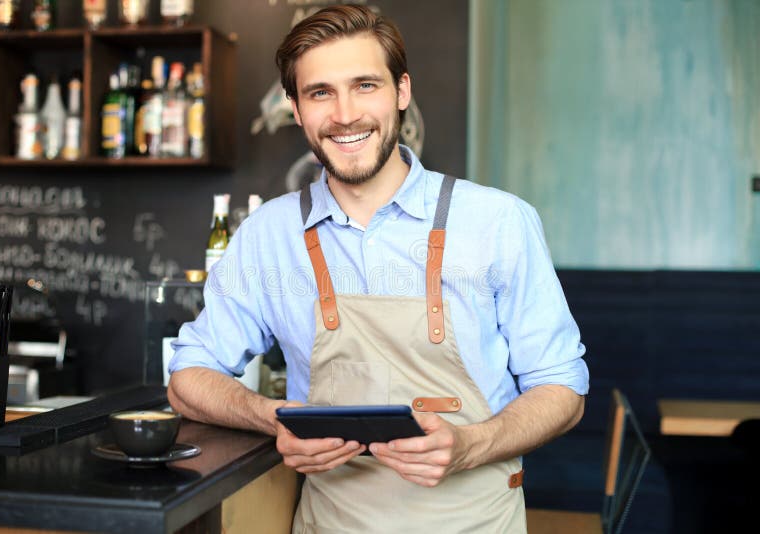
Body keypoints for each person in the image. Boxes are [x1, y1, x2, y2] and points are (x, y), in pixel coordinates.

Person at [169, 5, 589, 532]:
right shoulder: (266, 236)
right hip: (331, 521)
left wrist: (470, 445)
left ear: (401, 92)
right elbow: (187, 378)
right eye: (320, 92)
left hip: (476, 520)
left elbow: (563, 389)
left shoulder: (498, 221)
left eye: (365, 85)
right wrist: (274, 417)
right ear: (296, 109)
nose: (345, 114)